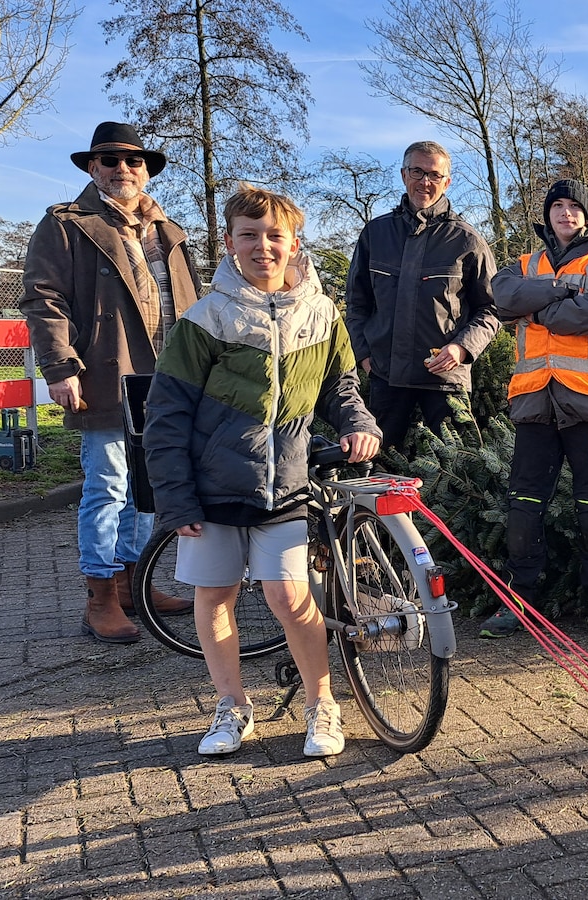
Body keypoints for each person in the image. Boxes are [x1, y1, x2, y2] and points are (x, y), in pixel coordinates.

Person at [141, 186, 381, 758]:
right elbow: (166, 416)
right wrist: (175, 500)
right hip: (211, 488)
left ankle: (322, 705)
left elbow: (340, 386)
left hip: (288, 484)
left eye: (275, 235)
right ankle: (232, 706)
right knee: (214, 595)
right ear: (228, 243)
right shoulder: (203, 320)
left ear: (294, 243)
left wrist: (359, 423)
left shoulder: (321, 316)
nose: (263, 246)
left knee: (289, 594)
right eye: (249, 235)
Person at [20, 121, 200, 644]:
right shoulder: (66, 224)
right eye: (111, 160)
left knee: (147, 491)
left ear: (145, 170)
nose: (123, 169)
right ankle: (99, 595)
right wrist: (60, 367)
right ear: (92, 168)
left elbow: (192, 307)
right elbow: (42, 299)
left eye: (133, 161)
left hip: (167, 380)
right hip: (103, 372)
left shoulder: (169, 231)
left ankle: (132, 583)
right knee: (108, 486)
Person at [483, 179, 588, 638]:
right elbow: (503, 296)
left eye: (574, 207)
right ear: (546, 214)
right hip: (533, 402)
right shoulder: (522, 265)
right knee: (524, 507)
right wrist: (562, 292)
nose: (565, 213)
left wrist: (538, 305)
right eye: (557, 206)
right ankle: (517, 604)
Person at [344, 141, 499, 453]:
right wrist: (364, 356)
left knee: (460, 473)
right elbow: (357, 303)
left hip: (445, 380)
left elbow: (492, 309)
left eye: (434, 175)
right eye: (417, 171)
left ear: (447, 182)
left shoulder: (467, 240)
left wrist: (462, 348)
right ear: (404, 174)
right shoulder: (376, 234)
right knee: (379, 469)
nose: (425, 182)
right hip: (386, 376)